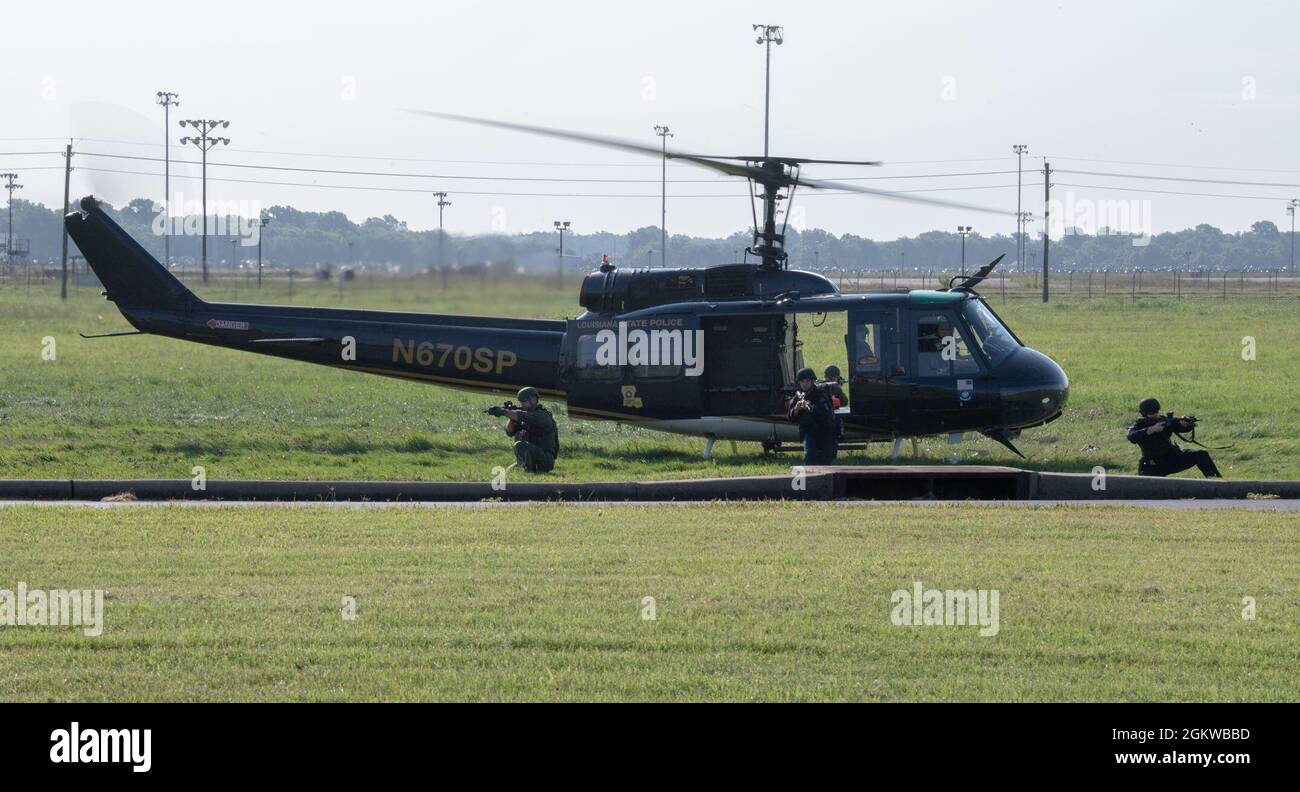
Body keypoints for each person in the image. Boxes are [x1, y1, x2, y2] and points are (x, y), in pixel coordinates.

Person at [1126, 397, 1221, 478]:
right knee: (1146, 487)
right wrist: (1151, 429)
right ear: (1144, 414)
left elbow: (1180, 428)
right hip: (1154, 465)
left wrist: (1186, 425)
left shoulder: (1164, 421)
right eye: (1151, 413)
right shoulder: (1139, 425)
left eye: (1156, 412)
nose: (1155, 415)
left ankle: (1214, 480)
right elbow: (1131, 436)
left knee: (1201, 454)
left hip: (1173, 458)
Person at [489, 386, 559, 473]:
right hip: (530, 457)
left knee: (519, 445)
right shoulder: (523, 416)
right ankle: (526, 467)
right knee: (508, 472)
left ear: (533, 400)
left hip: (544, 459)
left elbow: (526, 416)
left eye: (524, 401)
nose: (522, 404)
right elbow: (509, 432)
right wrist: (511, 418)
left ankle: (530, 472)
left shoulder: (543, 416)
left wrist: (504, 412)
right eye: (521, 402)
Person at [787, 367, 838, 465]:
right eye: (802, 381)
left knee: (826, 460)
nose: (805, 384)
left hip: (826, 432)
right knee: (810, 458)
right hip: (809, 433)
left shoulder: (821, 395)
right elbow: (790, 418)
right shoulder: (797, 397)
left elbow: (827, 415)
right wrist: (796, 409)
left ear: (812, 381)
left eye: (808, 381)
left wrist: (811, 408)